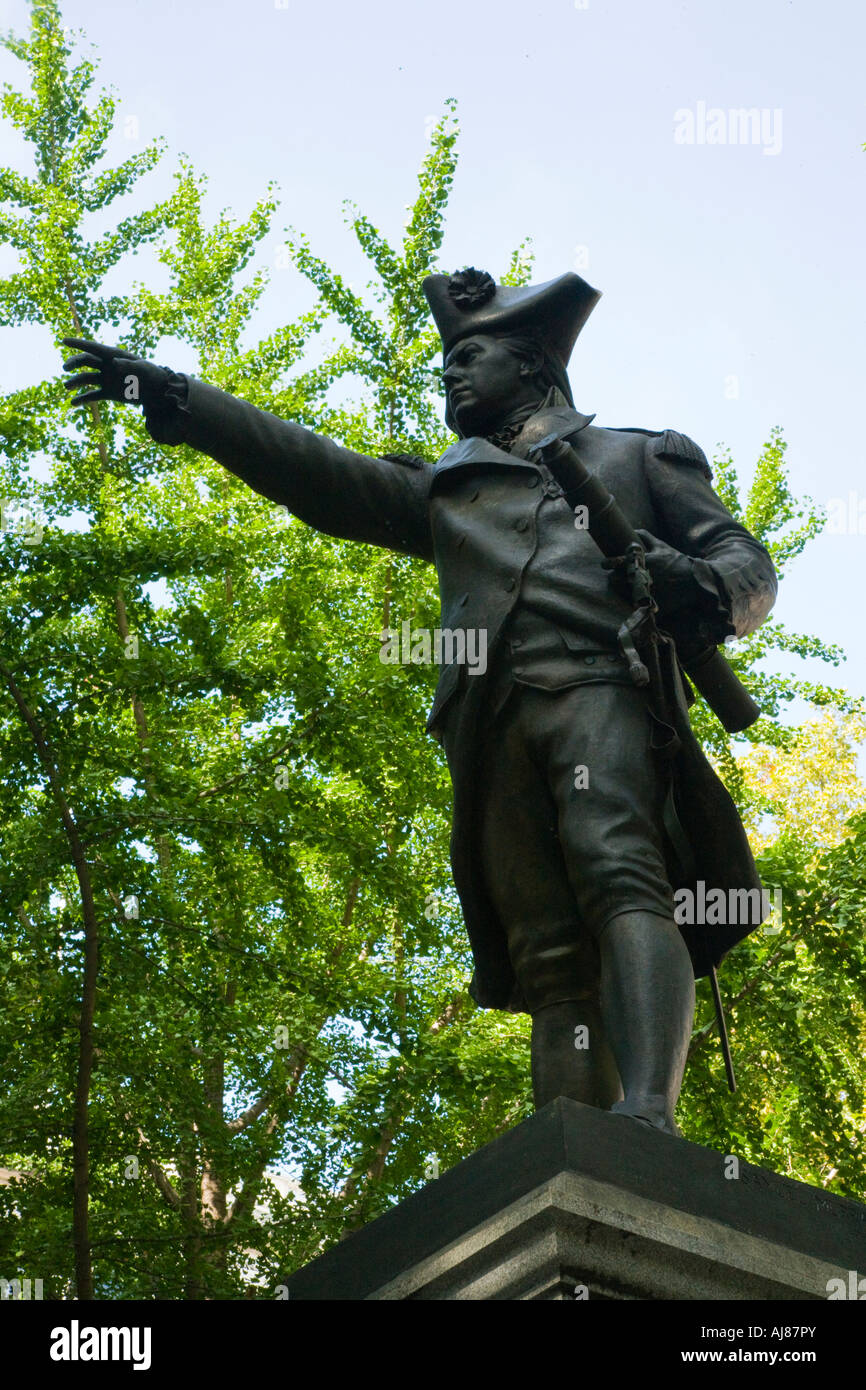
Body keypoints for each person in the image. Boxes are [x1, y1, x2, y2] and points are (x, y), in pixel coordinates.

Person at [62, 265, 777, 1137]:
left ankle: (648, 1118)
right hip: (488, 727)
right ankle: (566, 1147)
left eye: (471, 355)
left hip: (601, 687)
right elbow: (322, 475)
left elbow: (743, 567)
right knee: (545, 947)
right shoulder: (448, 489)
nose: (450, 372)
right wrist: (185, 399)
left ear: (533, 367)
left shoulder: (638, 453)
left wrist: (697, 583)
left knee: (622, 874)